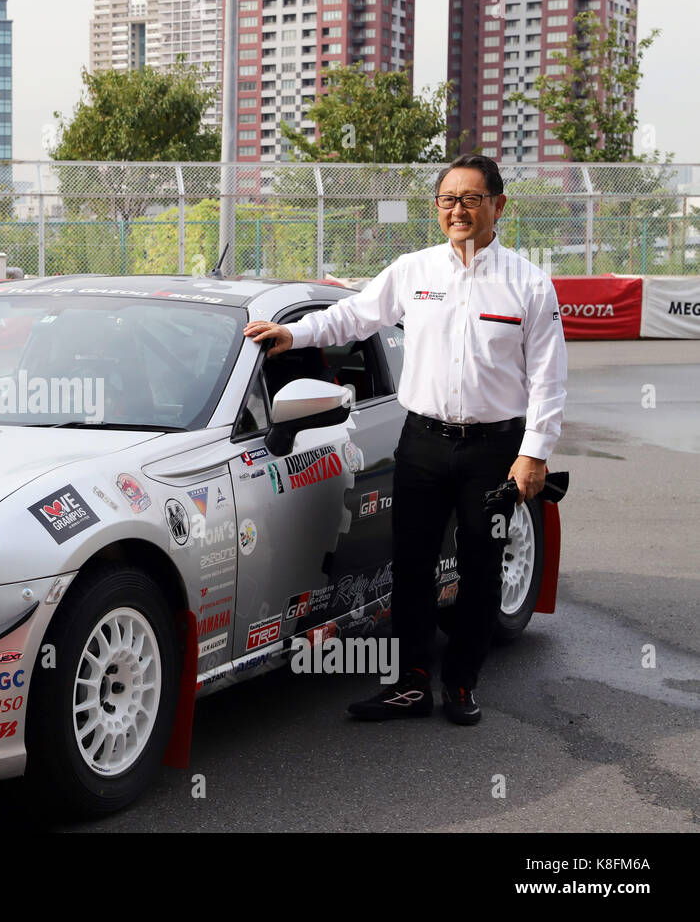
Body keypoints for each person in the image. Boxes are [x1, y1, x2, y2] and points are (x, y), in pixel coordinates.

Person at [243, 153, 568, 725]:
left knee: (480, 566)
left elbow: (548, 378)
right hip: (421, 444)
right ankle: (411, 683)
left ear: (499, 205)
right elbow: (351, 318)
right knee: (412, 565)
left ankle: (462, 683)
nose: (458, 210)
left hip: (493, 451)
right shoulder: (413, 272)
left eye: (471, 199)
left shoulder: (529, 284)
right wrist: (291, 333)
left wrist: (534, 453)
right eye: (448, 200)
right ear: (436, 208)